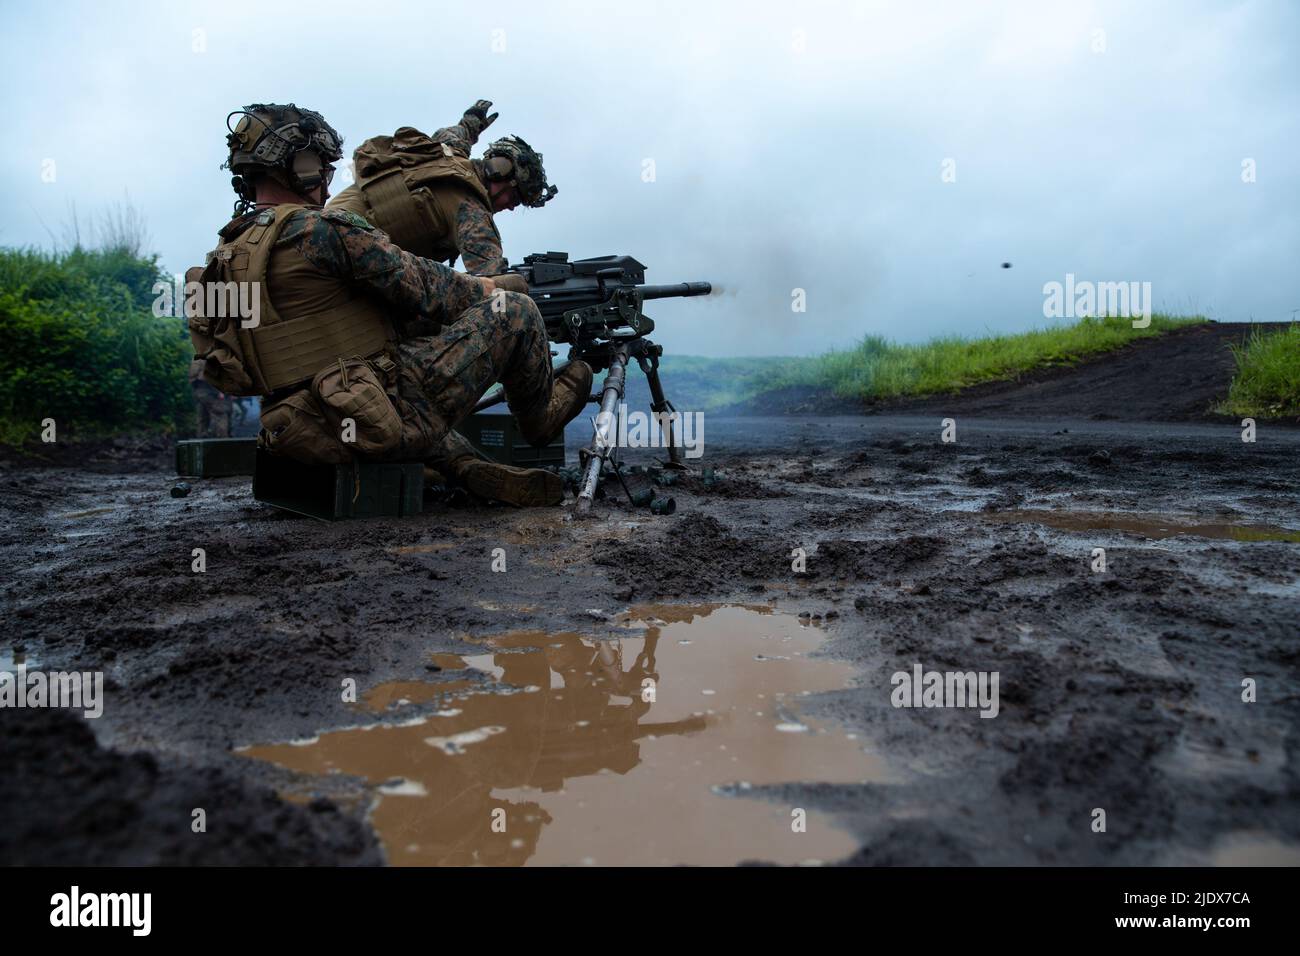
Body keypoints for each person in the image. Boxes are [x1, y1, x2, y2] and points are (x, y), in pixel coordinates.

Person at [187, 103, 590, 506]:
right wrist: (499, 287)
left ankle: (462, 465)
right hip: (372, 417)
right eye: (324, 169)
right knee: (515, 312)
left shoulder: (231, 249)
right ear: (300, 165)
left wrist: (469, 125)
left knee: (395, 360)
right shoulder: (326, 232)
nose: (329, 186)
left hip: (298, 424)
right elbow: (432, 289)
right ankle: (542, 420)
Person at [188, 357, 232, 437]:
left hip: (198, 391)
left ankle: (201, 442)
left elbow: (192, 376)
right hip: (210, 391)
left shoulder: (197, 357)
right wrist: (219, 391)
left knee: (202, 418)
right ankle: (223, 442)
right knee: (220, 415)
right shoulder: (212, 355)